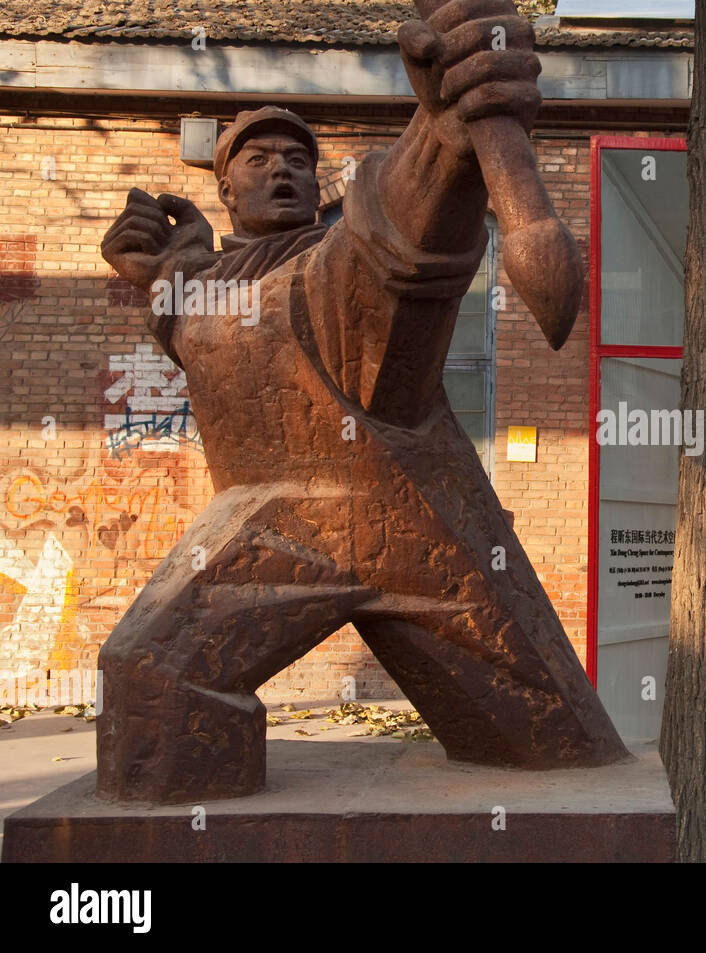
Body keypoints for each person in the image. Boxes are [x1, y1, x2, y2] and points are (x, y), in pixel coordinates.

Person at [95, 0, 628, 804]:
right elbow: (216, 326)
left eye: (297, 160)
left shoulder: (338, 269)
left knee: (550, 743)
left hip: (421, 535)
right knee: (150, 682)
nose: (281, 169)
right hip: (277, 526)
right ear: (223, 186)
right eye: (257, 158)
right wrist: (170, 273)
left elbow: (402, 249)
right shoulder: (211, 288)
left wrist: (442, 133)